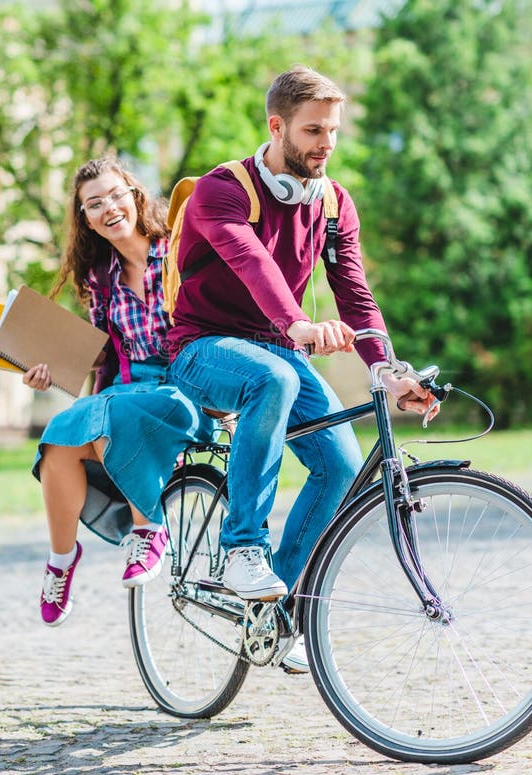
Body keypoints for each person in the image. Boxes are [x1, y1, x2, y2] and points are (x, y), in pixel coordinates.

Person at [167, 65, 438, 671]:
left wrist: (390, 372)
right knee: (276, 377)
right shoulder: (224, 189)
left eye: (334, 131)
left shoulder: (335, 203)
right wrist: (296, 324)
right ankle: (242, 547)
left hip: (281, 347)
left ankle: (277, 612)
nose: (327, 144)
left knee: (342, 465)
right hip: (204, 347)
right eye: (314, 130)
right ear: (276, 125)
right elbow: (251, 261)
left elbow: (356, 294)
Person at [24, 157, 213, 627]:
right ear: (85, 218)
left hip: (186, 389)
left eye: (114, 195)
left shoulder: (177, 251)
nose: (108, 207)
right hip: (127, 393)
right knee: (60, 435)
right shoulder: (99, 277)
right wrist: (50, 371)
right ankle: (61, 562)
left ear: (135, 194)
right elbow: (103, 355)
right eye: (94, 203)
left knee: (116, 415)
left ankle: (149, 530)